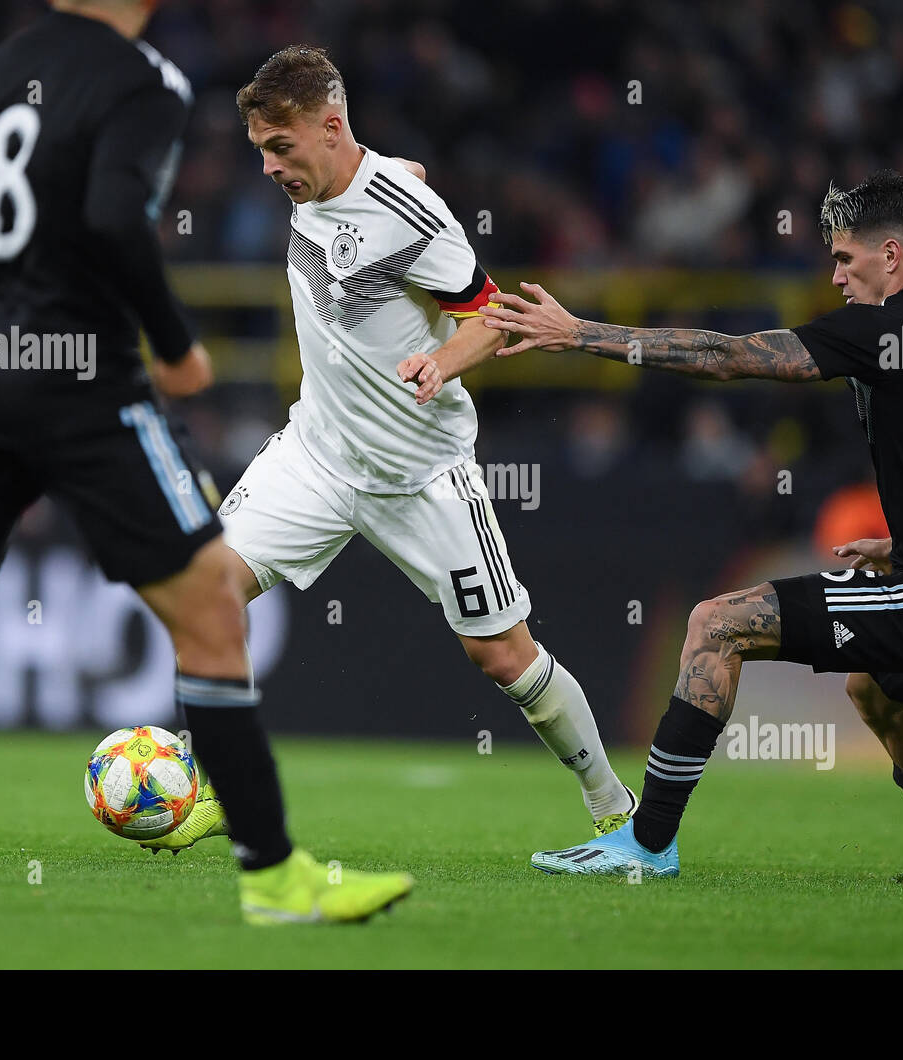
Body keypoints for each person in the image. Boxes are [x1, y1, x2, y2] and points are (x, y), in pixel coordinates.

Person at [0, 0, 411, 924]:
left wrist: (5, 279)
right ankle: (273, 876)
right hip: (81, 382)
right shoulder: (144, 81)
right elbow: (112, 213)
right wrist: (176, 344)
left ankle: (270, 869)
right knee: (213, 604)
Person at [481, 170, 903, 883]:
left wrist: (581, 332)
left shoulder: (884, 328)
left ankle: (647, 841)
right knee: (875, 691)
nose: (835, 277)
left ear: (891, 256)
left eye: (845, 259)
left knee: (718, 622)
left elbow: (729, 356)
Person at [184, 45, 637, 842]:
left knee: (504, 659)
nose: (267, 167)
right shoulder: (334, 175)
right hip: (317, 455)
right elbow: (382, 177)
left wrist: (442, 360)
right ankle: (226, 789)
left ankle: (615, 810)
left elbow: (488, 317)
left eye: (279, 147)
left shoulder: (408, 213)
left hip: (424, 472)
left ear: (329, 128)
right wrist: (399, 172)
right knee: (202, 593)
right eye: (259, 149)